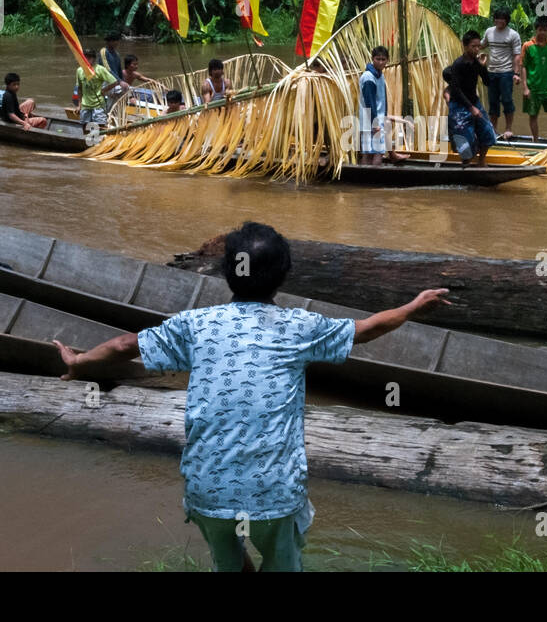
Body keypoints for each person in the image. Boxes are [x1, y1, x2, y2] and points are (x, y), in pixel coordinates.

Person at [53, 222, 448, 572]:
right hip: (273, 493)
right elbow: (365, 330)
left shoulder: (197, 324)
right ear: (284, 275)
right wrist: (413, 306)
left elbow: (123, 345)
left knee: (227, 558)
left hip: (208, 489)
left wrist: (80, 364)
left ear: (228, 272)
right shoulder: (299, 327)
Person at [442, 29, 497, 167]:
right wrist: (471, 108)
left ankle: (481, 162)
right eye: (474, 46)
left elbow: (487, 82)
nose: (477, 49)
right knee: (465, 141)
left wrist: (483, 67)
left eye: (479, 46)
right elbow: (456, 89)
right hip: (460, 105)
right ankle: (465, 165)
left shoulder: (476, 63)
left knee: (488, 133)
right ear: (465, 46)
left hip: (474, 102)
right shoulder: (458, 64)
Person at [481, 9, 522, 138]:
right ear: (494, 19)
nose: (499, 21)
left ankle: (508, 129)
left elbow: (517, 56)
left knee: (507, 100)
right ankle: (493, 130)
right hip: (491, 72)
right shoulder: (489, 31)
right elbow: (482, 45)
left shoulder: (513, 35)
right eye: (497, 18)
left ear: (507, 21)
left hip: (506, 73)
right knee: (493, 102)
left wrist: (517, 73)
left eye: (502, 19)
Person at [76, 48, 125, 126]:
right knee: (85, 127)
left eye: (90, 57)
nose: (87, 59)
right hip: (85, 105)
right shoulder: (79, 70)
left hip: (98, 105)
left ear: (94, 58)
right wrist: (79, 105)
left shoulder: (100, 69)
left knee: (100, 127)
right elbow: (79, 88)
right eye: (85, 57)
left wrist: (104, 90)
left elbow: (115, 82)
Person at [358, 46, 390, 165]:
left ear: (387, 60)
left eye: (383, 59)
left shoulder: (379, 75)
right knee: (378, 152)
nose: (381, 62)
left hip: (371, 120)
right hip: (373, 120)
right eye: (378, 59)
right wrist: (375, 122)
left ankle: (364, 180)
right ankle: (374, 180)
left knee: (368, 151)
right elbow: (369, 102)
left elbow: (381, 99)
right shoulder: (369, 77)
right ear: (372, 59)